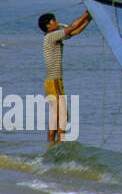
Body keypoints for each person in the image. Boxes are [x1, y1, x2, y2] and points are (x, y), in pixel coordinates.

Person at [38, 10, 90, 145]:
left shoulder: (55, 36)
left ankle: (51, 146)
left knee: (55, 116)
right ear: (48, 26)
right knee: (63, 116)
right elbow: (71, 27)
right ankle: (60, 145)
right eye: (53, 21)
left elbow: (76, 31)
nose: (56, 22)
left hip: (53, 81)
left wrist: (90, 18)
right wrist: (86, 13)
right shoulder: (51, 36)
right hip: (54, 81)